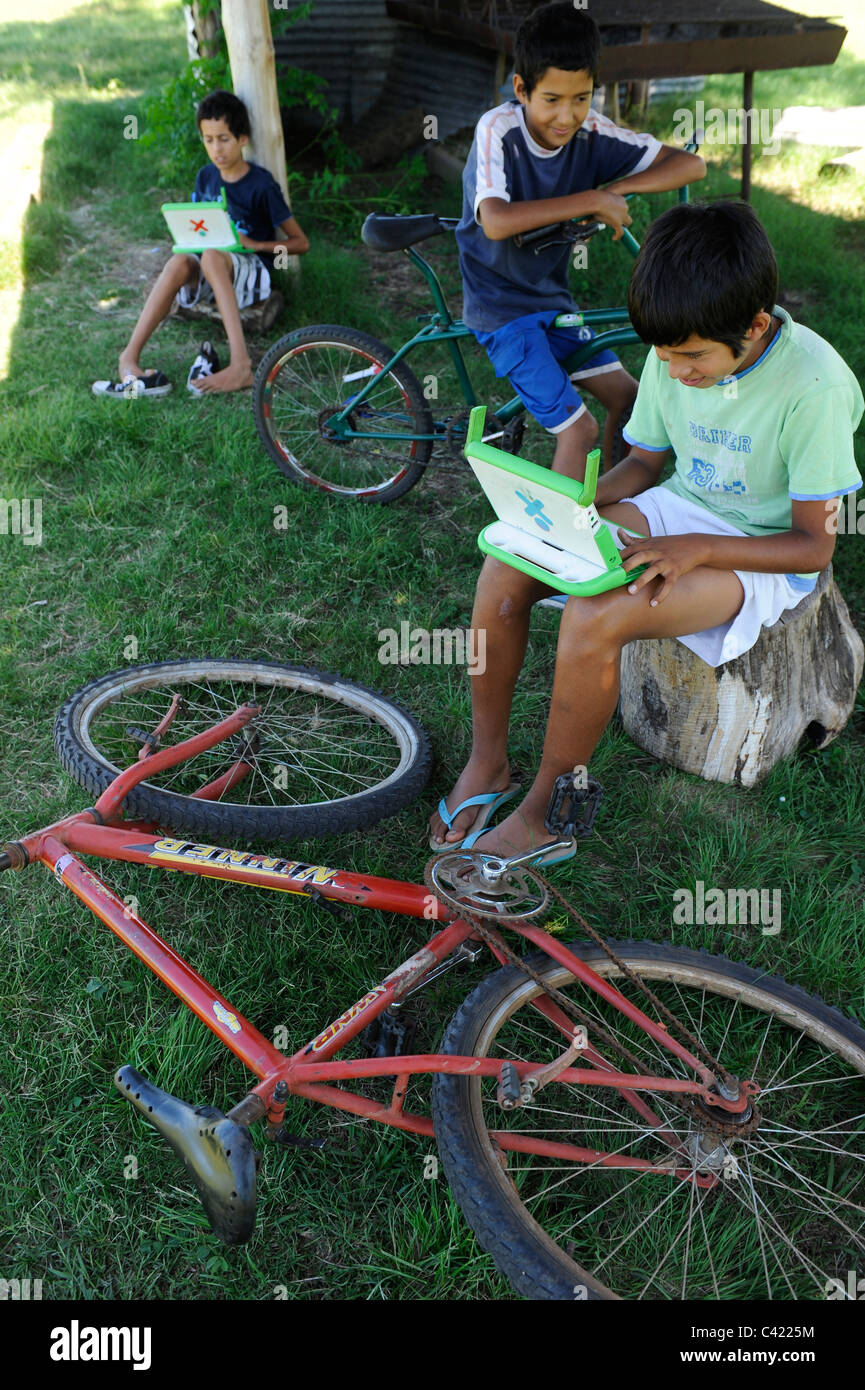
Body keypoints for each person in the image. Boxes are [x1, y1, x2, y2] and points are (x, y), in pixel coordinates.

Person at [430, 200, 864, 862]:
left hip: (760, 557)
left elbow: (813, 546)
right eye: (662, 354)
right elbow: (642, 465)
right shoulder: (675, 347)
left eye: (690, 358)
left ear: (753, 325)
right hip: (680, 510)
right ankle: (487, 761)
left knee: (595, 613)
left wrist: (697, 552)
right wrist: (577, 503)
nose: (673, 370)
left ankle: (549, 809)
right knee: (507, 562)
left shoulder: (814, 386)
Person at [456, 0, 705, 480]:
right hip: (500, 307)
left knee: (632, 399)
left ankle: (611, 509)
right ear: (521, 90)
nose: (567, 116)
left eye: (582, 97)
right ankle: (553, 548)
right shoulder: (498, 130)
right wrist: (591, 199)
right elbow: (495, 221)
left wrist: (616, 190)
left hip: (554, 301)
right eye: (551, 99)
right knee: (579, 431)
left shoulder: (592, 132)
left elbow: (689, 165)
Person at [93, 89, 309, 398]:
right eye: (208, 140)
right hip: (213, 266)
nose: (216, 149)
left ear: (243, 138)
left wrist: (255, 244)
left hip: (250, 271)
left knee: (210, 256)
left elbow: (301, 243)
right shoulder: (206, 177)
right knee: (179, 261)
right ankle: (129, 357)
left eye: (224, 138)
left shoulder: (261, 184)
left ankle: (241, 365)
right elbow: (203, 232)